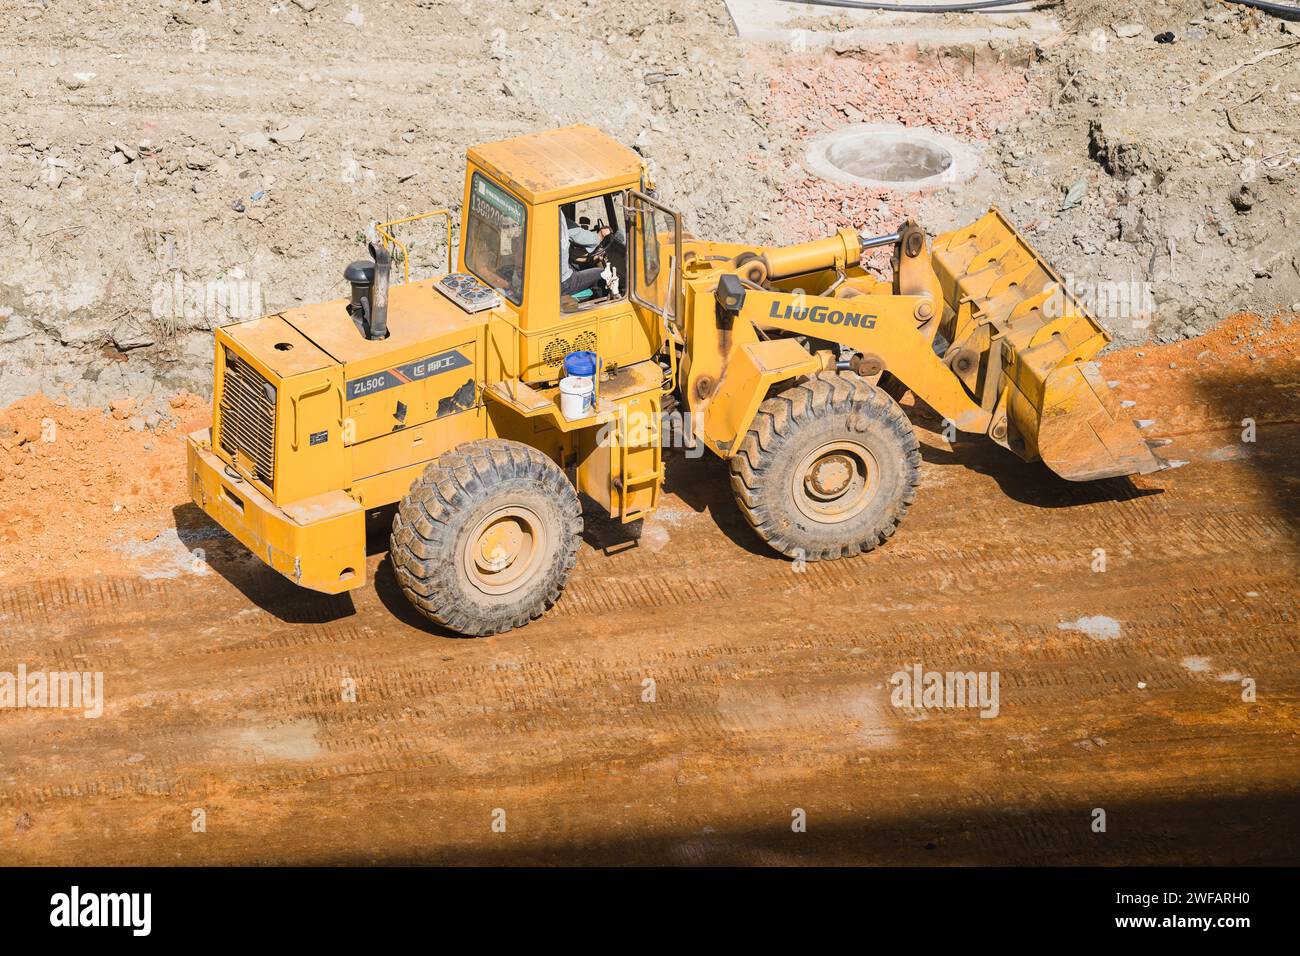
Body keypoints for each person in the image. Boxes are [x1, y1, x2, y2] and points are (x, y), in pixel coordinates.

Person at [559, 215, 616, 297]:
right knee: (603, 273)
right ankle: (601, 304)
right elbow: (579, 235)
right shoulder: (558, 216)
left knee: (575, 265)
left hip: (555, 275)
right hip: (563, 282)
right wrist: (600, 235)